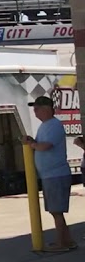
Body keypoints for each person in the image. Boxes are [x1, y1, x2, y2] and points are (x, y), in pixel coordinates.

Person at [26, 95, 76, 251]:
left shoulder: (53, 125)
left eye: (37, 109)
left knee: (56, 211)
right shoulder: (46, 125)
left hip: (56, 175)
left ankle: (62, 244)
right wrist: (33, 142)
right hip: (50, 175)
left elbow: (45, 146)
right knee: (56, 211)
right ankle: (67, 241)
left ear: (47, 109)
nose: (35, 113)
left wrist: (31, 144)